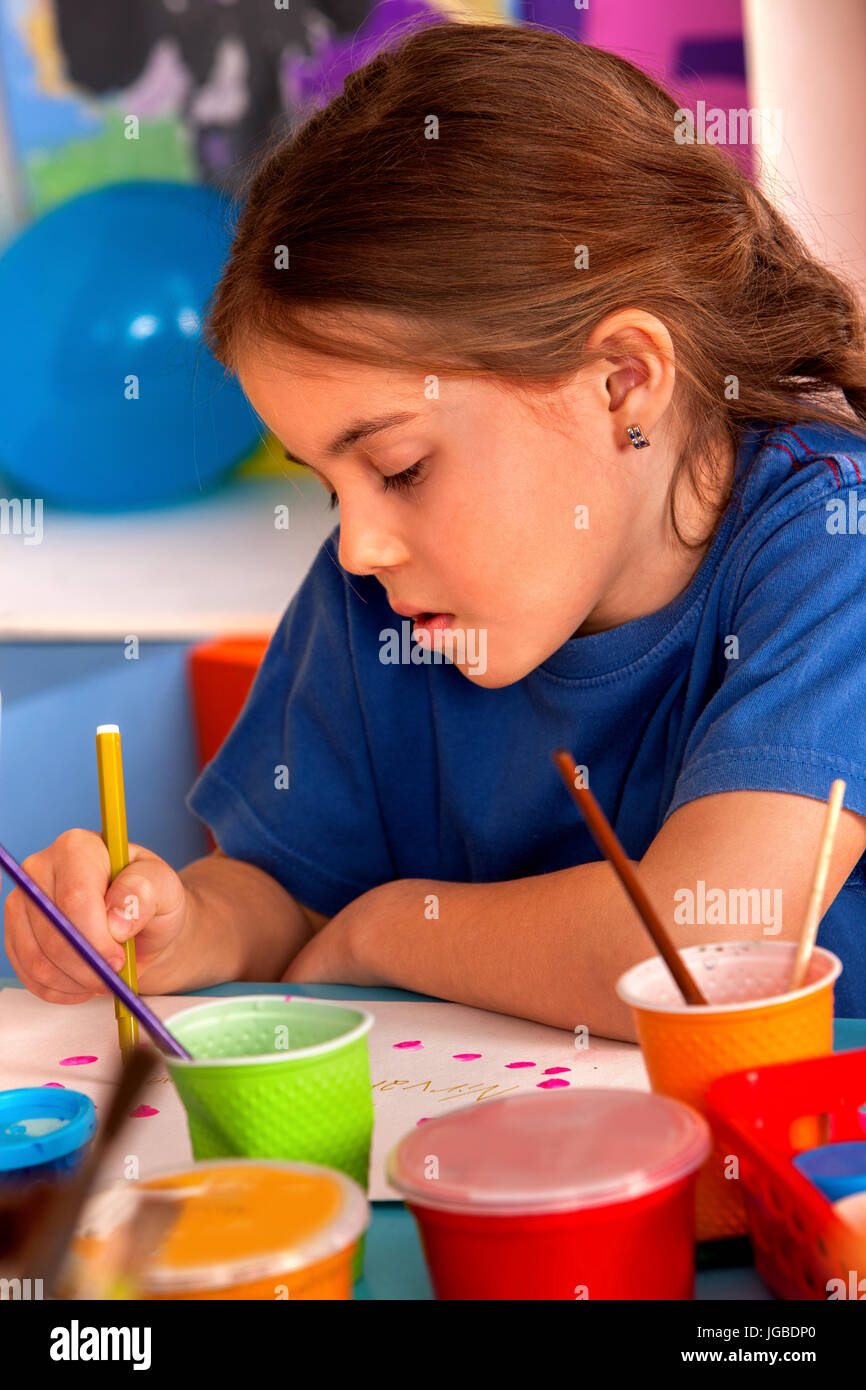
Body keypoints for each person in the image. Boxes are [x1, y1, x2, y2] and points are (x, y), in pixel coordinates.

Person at [7, 22, 866, 1037]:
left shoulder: (830, 543)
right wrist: (168, 921)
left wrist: (388, 931)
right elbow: (281, 900)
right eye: (331, 487)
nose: (360, 546)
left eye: (398, 468)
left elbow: (696, 956)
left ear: (621, 380)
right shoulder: (377, 590)